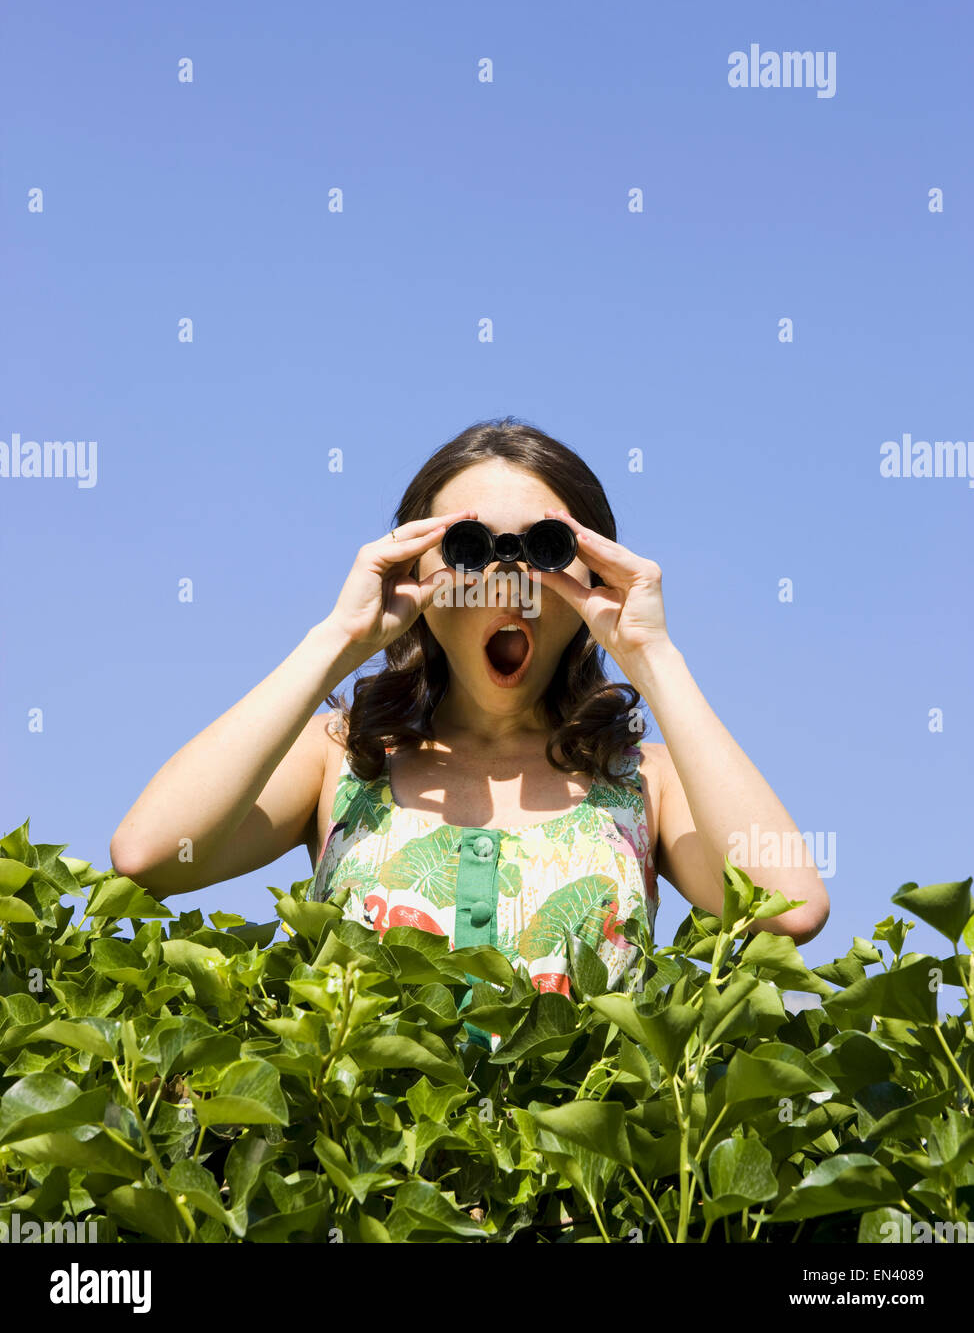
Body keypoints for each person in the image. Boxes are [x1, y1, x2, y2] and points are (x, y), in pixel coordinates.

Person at [110, 418, 830, 1050]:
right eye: (468, 546)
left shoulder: (645, 780)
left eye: (545, 547)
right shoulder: (342, 757)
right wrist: (337, 638)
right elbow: (150, 854)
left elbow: (790, 909)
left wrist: (655, 656)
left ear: (596, 577)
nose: (506, 573)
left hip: (583, 1203)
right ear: (413, 568)